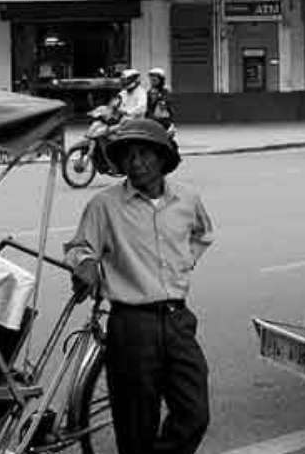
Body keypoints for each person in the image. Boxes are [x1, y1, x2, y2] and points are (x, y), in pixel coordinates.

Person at [64, 119, 214, 454]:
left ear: (162, 158)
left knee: (194, 413)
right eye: (128, 156)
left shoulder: (187, 199)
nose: (136, 163)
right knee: (135, 425)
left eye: (144, 154)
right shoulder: (105, 205)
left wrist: (182, 264)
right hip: (131, 325)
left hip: (177, 320)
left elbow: (203, 233)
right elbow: (79, 247)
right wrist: (86, 265)